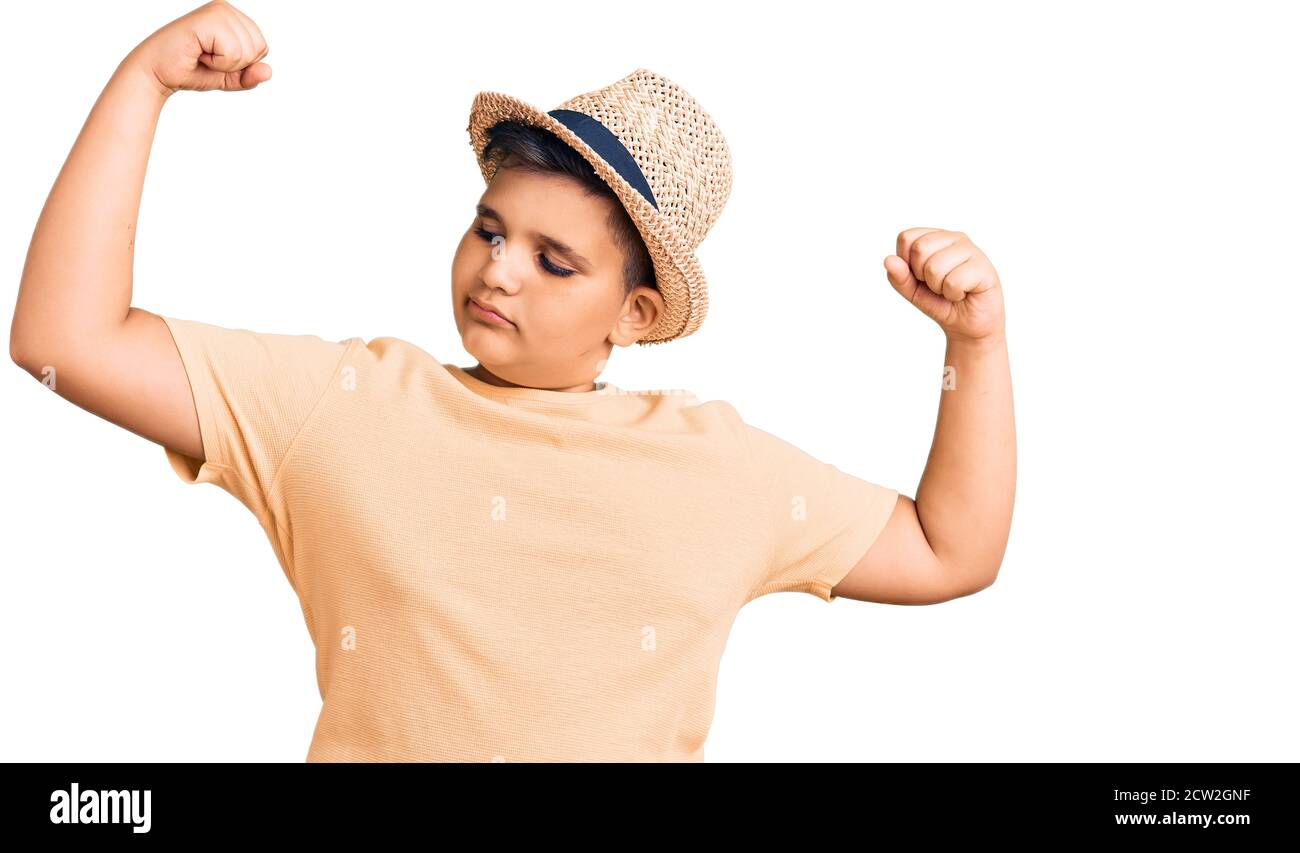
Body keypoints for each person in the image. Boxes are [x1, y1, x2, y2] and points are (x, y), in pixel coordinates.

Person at [9, 0, 1016, 762]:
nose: (497, 269)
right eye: (489, 229)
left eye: (554, 259)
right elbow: (66, 337)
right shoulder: (339, 405)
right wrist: (140, 83)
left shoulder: (720, 469)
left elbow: (948, 549)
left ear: (638, 314)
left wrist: (974, 344)